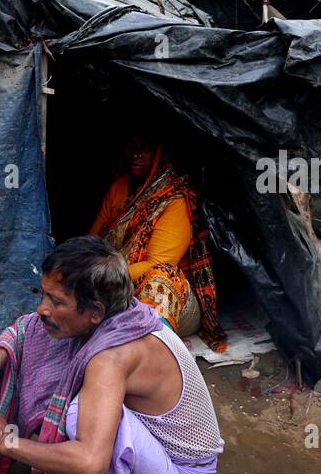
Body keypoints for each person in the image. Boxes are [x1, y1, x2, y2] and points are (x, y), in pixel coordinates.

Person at [0, 237, 223, 474]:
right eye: (43, 295)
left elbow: (90, 463)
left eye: (56, 301)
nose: (42, 308)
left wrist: (5, 441)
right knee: (75, 404)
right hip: (158, 458)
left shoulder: (113, 357)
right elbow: (29, 328)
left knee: (76, 411)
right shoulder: (121, 315)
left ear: (95, 311)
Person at [89, 134, 226, 351]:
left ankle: (152, 354)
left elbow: (157, 263)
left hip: (173, 303)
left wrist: (102, 276)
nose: (136, 155)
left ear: (160, 153)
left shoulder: (174, 199)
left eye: (145, 149)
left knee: (160, 278)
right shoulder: (119, 187)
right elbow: (92, 241)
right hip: (117, 289)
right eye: (132, 147)